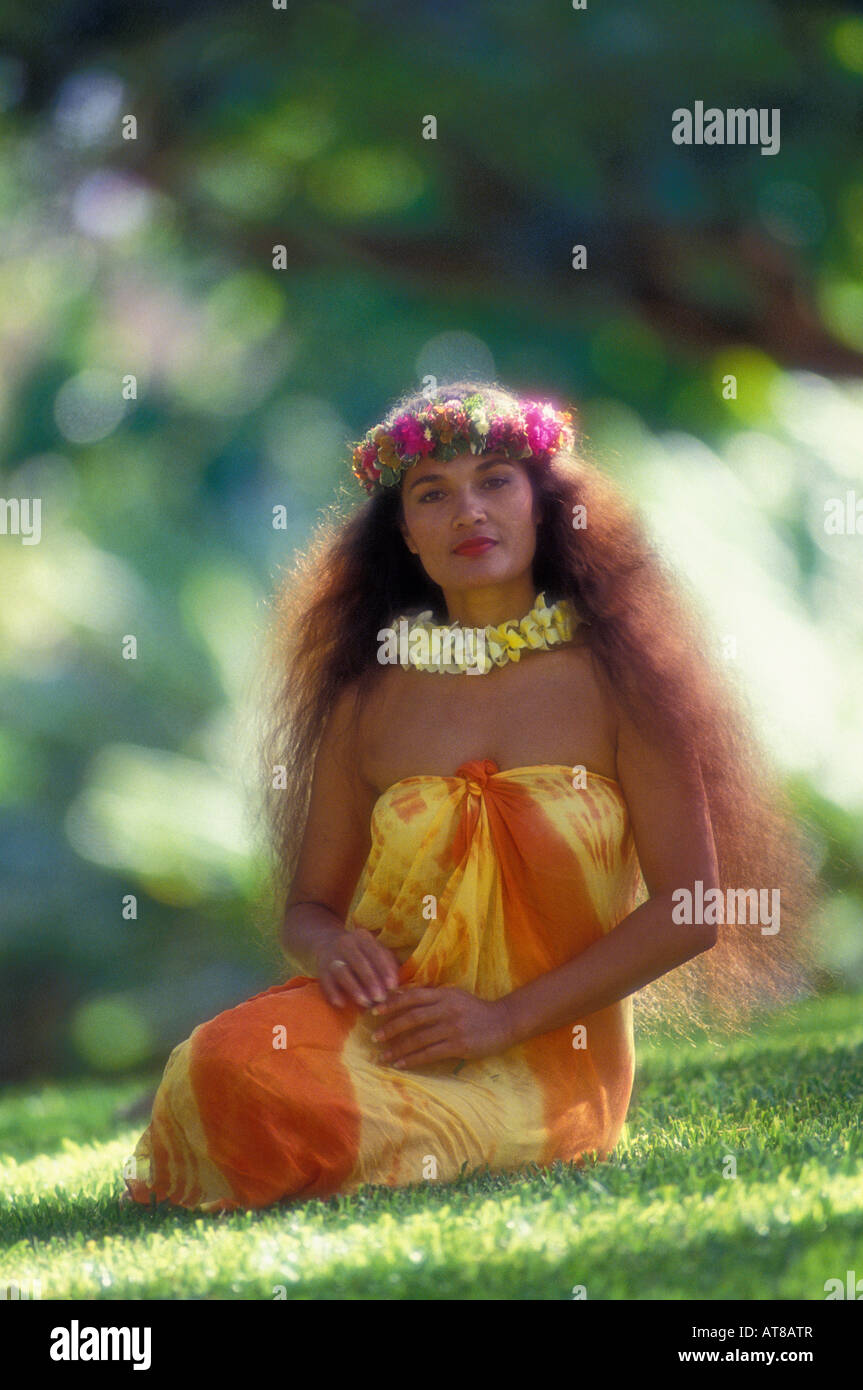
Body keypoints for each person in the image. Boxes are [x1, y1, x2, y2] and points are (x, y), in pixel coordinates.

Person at [121, 380, 819, 1212]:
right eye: (432, 494)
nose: (467, 512)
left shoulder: (621, 684)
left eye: (495, 479)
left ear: (542, 504)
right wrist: (330, 949)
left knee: (283, 1110)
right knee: (220, 1064)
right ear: (405, 533)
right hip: (391, 1031)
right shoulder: (368, 699)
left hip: (544, 1056)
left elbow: (693, 908)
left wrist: (502, 1020)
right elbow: (310, 907)